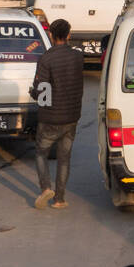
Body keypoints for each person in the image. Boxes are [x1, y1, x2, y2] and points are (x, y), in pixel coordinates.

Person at [31, 18, 84, 210]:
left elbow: (42, 89)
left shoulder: (46, 58)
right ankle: (60, 199)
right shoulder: (78, 57)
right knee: (64, 158)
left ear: (51, 35)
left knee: (40, 152)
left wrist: (34, 93)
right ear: (69, 35)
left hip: (51, 118)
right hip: (71, 117)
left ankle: (46, 188)